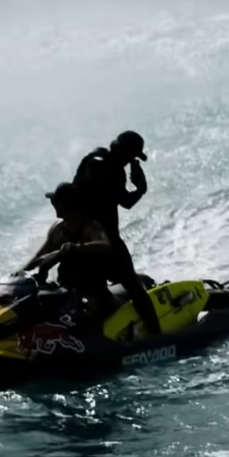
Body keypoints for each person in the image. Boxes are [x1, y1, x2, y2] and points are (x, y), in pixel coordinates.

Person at [71, 129, 161, 334]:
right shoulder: (108, 167)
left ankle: (89, 335)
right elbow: (126, 202)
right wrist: (140, 188)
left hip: (78, 236)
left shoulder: (93, 158)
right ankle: (156, 335)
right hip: (105, 240)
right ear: (125, 152)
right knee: (135, 288)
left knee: (92, 290)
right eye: (131, 157)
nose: (130, 161)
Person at [23, 182, 117, 327]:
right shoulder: (58, 230)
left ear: (69, 204)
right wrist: (20, 273)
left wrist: (77, 248)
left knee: (89, 317)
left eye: (56, 201)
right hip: (66, 290)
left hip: (93, 291)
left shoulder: (90, 227)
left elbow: (105, 246)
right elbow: (39, 256)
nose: (53, 204)